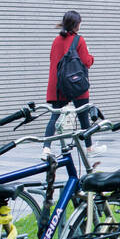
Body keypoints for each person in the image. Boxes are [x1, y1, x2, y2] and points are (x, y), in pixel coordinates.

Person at [45, 10, 95, 146]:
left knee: (54, 117)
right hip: (76, 83)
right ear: (76, 25)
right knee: (84, 117)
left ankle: (46, 148)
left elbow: (53, 60)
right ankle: (89, 148)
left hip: (59, 85)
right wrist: (91, 57)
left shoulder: (56, 40)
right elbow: (86, 61)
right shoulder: (79, 40)